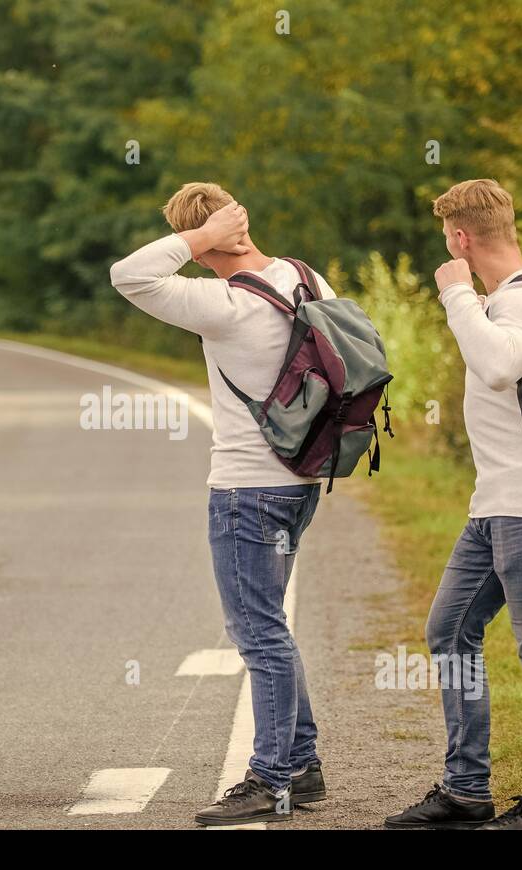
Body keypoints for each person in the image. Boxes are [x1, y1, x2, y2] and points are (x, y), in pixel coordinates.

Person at [110, 182, 334, 825]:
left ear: (205, 247)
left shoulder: (221, 302)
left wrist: (197, 241)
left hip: (246, 488)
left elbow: (129, 276)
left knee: (259, 634)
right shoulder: (304, 276)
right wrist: (218, 233)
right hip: (300, 483)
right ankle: (303, 763)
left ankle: (270, 779)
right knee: (273, 628)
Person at [385, 179, 522, 830]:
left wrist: (453, 292)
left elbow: (499, 367)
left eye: (447, 236)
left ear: (460, 237)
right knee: (449, 631)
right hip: (497, 503)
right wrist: (472, 303)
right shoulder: (507, 299)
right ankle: (467, 790)